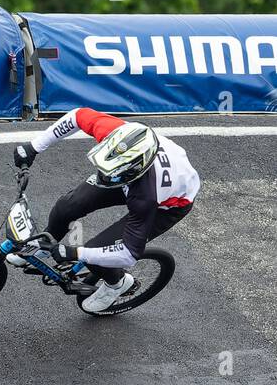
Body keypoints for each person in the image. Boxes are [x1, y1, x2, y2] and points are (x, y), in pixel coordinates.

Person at [10, 107, 198, 313]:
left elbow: (128, 254)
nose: (104, 178)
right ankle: (44, 245)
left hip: (167, 205)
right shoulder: (116, 132)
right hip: (131, 176)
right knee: (67, 206)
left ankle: (117, 284)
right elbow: (77, 116)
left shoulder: (146, 197)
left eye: (111, 175)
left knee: (96, 251)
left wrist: (75, 252)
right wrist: (34, 147)